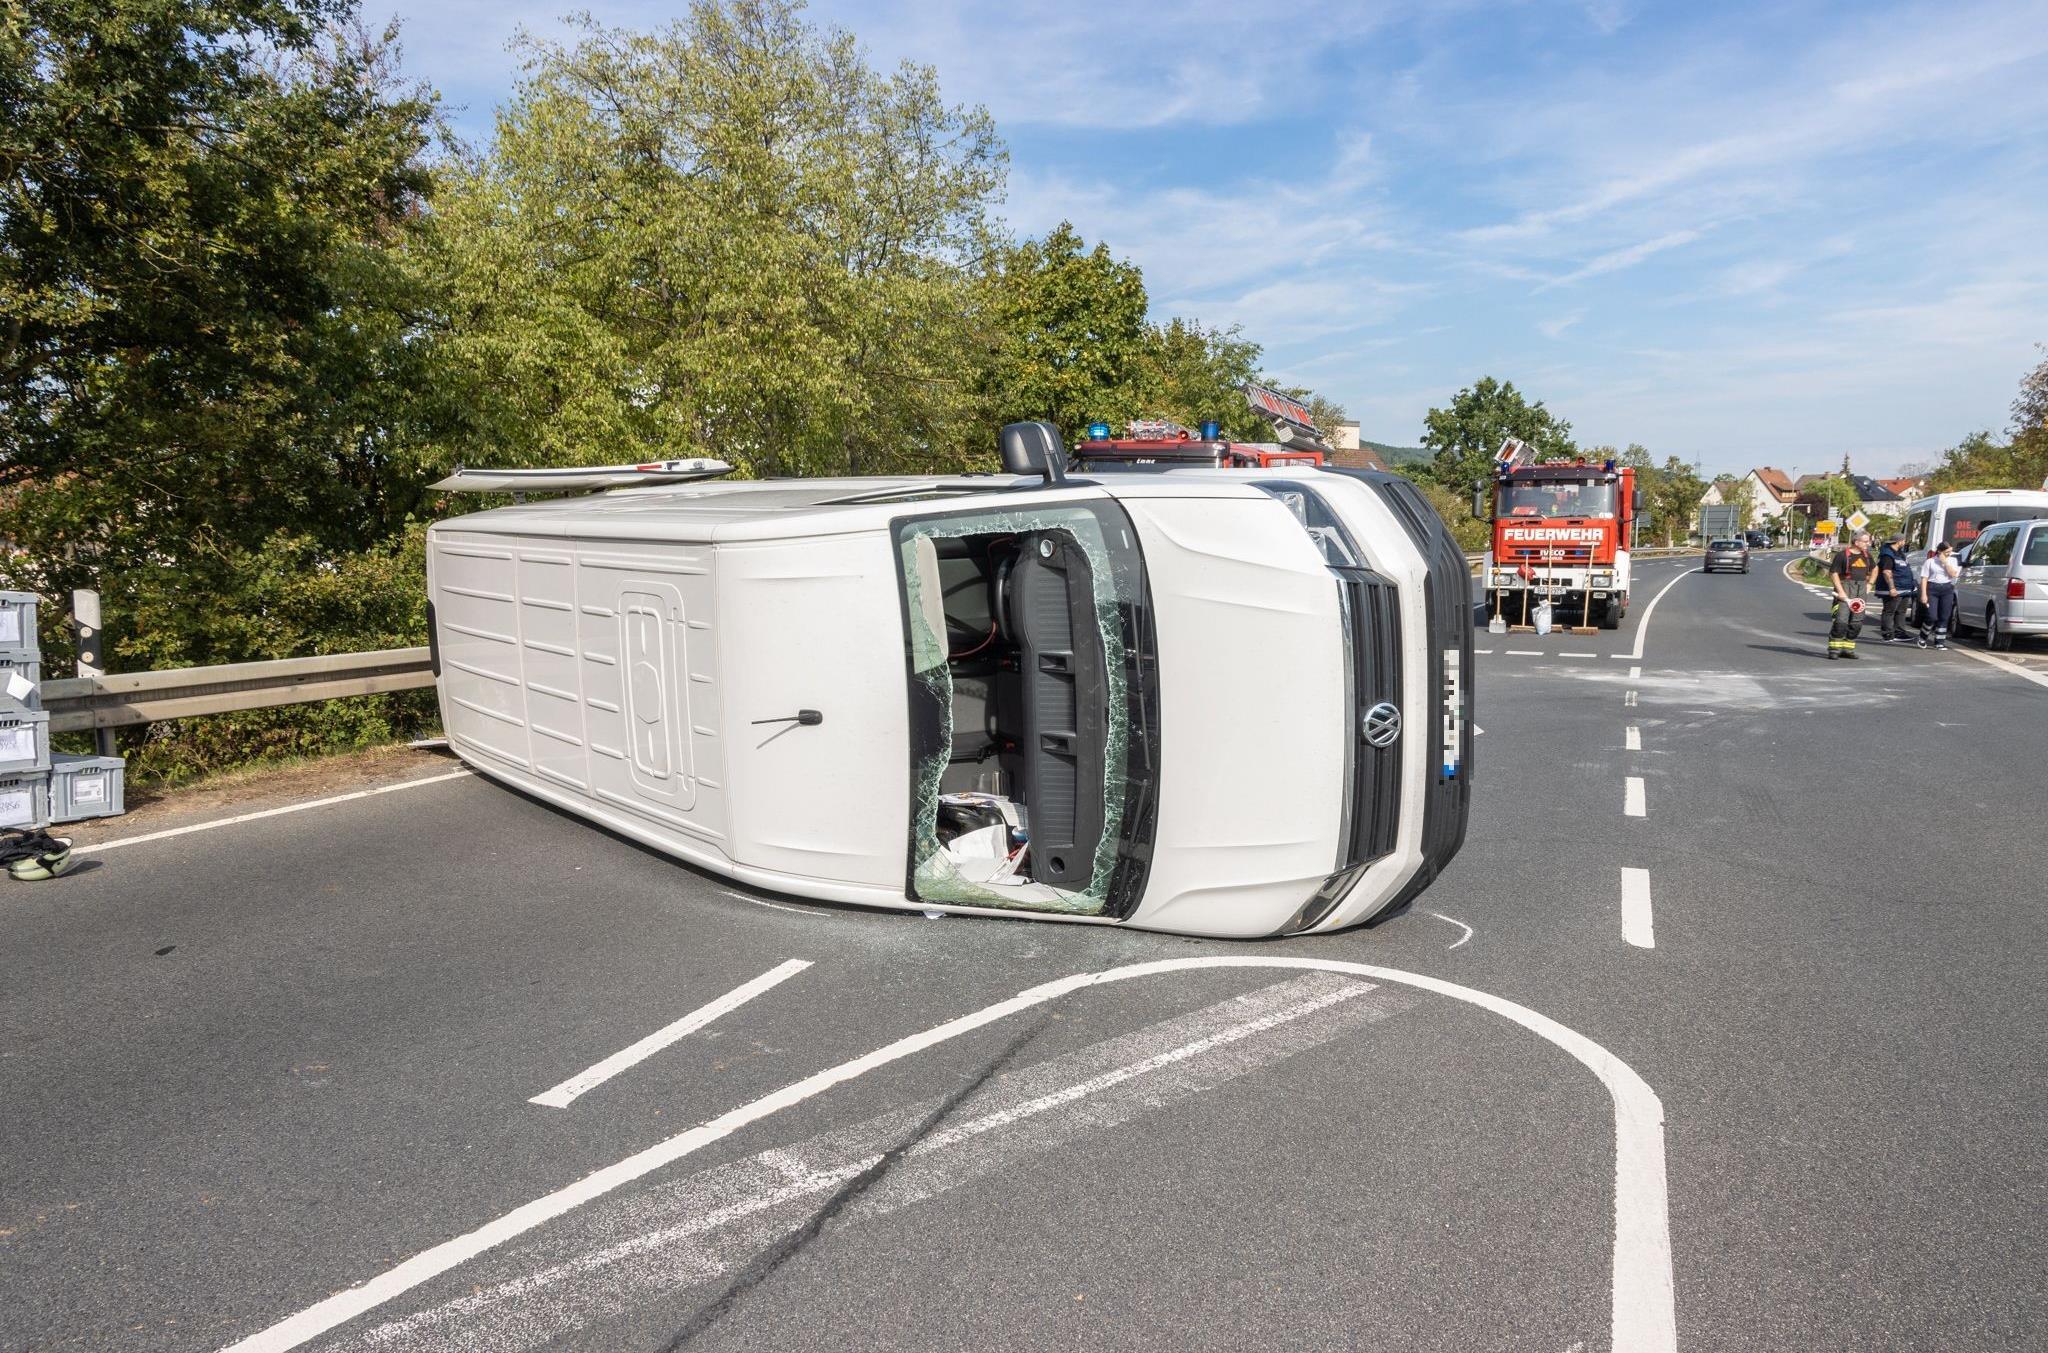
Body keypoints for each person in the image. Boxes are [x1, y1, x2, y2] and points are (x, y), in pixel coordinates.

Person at [1827, 530, 1875, 659]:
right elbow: (1833, 573)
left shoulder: (1867, 556)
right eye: (1865, 541)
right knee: (1841, 621)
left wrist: (1870, 584)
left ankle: (1847, 649)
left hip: (1861, 590)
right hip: (1845, 589)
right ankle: (1834, 649)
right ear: (1856, 542)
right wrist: (1841, 592)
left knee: (1856, 623)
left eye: (1868, 541)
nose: (1868, 544)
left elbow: (1875, 569)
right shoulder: (1842, 555)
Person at [1873, 532, 1916, 643]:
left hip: (1903, 588)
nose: (1904, 542)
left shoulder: (1900, 553)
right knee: (1889, 611)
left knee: (1901, 611)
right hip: (1893, 588)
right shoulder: (1887, 554)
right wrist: (1892, 588)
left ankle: (1899, 633)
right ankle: (1887, 634)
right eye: (1904, 540)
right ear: (1899, 541)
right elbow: (1887, 572)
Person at [1918, 541, 1961, 649]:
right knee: (1932, 616)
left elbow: (1953, 574)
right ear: (1939, 551)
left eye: (1950, 551)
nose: (1949, 554)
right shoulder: (1930, 561)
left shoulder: (1952, 560)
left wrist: (1945, 562)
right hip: (1932, 588)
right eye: (1947, 552)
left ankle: (1939, 642)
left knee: (1944, 616)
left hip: (1947, 588)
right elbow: (1924, 578)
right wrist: (1923, 594)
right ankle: (1923, 637)